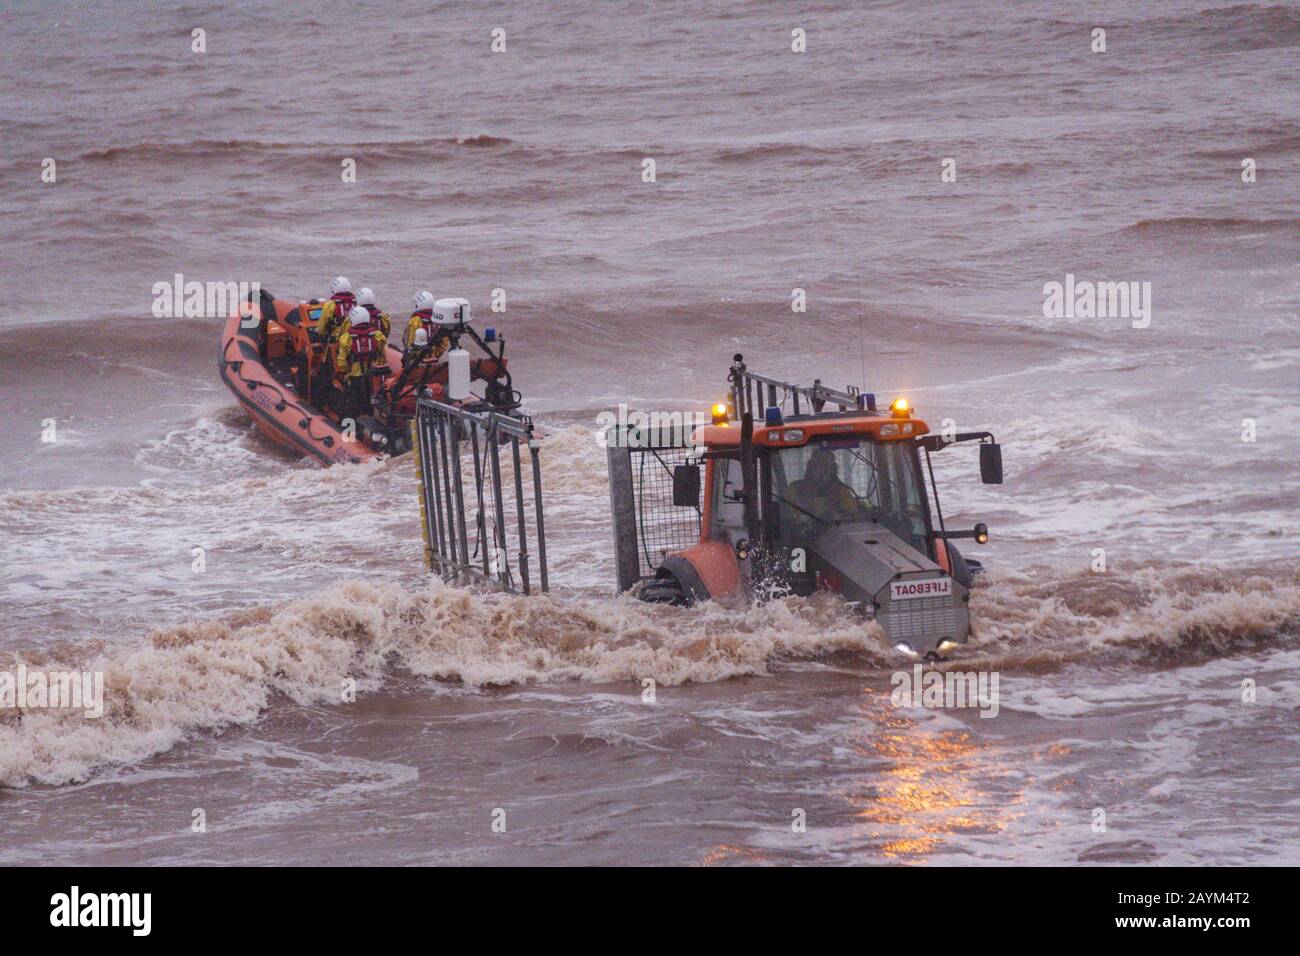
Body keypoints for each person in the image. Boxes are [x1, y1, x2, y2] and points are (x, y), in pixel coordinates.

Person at [785, 446, 871, 526]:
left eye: (826, 465)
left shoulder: (841, 491)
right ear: (810, 466)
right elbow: (788, 518)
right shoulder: (795, 489)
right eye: (818, 465)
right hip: (803, 539)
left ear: (833, 468)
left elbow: (855, 516)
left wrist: (838, 517)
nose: (822, 469)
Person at [335, 305, 388, 420]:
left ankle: (350, 428)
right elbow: (383, 355)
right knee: (371, 401)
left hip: (355, 376)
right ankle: (370, 420)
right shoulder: (378, 336)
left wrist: (346, 371)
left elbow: (342, 362)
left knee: (352, 404)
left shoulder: (346, 338)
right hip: (373, 376)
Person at [403, 290, 450, 357]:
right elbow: (444, 344)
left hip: (416, 360)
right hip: (433, 357)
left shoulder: (416, 320)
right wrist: (435, 355)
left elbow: (409, 342)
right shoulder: (438, 319)